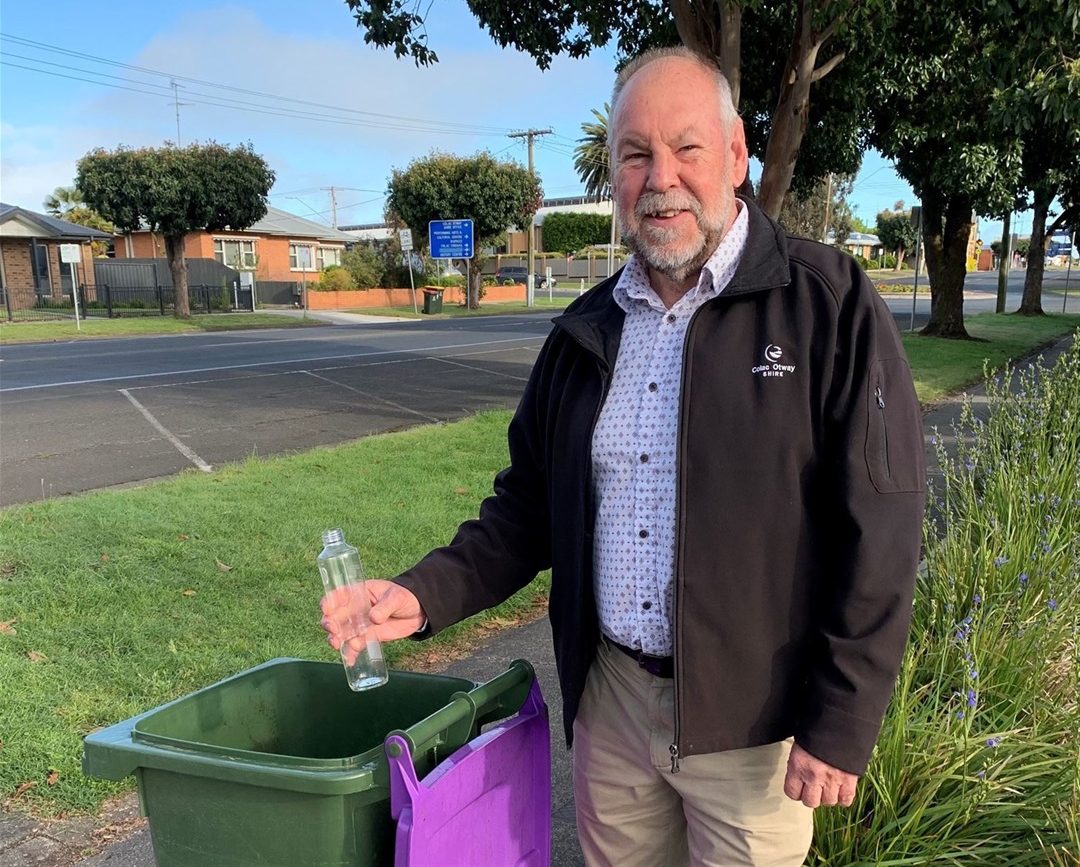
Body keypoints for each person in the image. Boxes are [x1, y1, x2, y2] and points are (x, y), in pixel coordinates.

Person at [323, 46, 925, 866]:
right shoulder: (584, 331)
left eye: (686, 148)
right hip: (613, 704)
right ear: (614, 176)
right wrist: (420, 594)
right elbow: (525, 511)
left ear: (736, 155)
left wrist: (842, 720)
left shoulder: (828, 304)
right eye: (636, 154)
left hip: (754, 725)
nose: (660, 177)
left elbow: (882, 532)